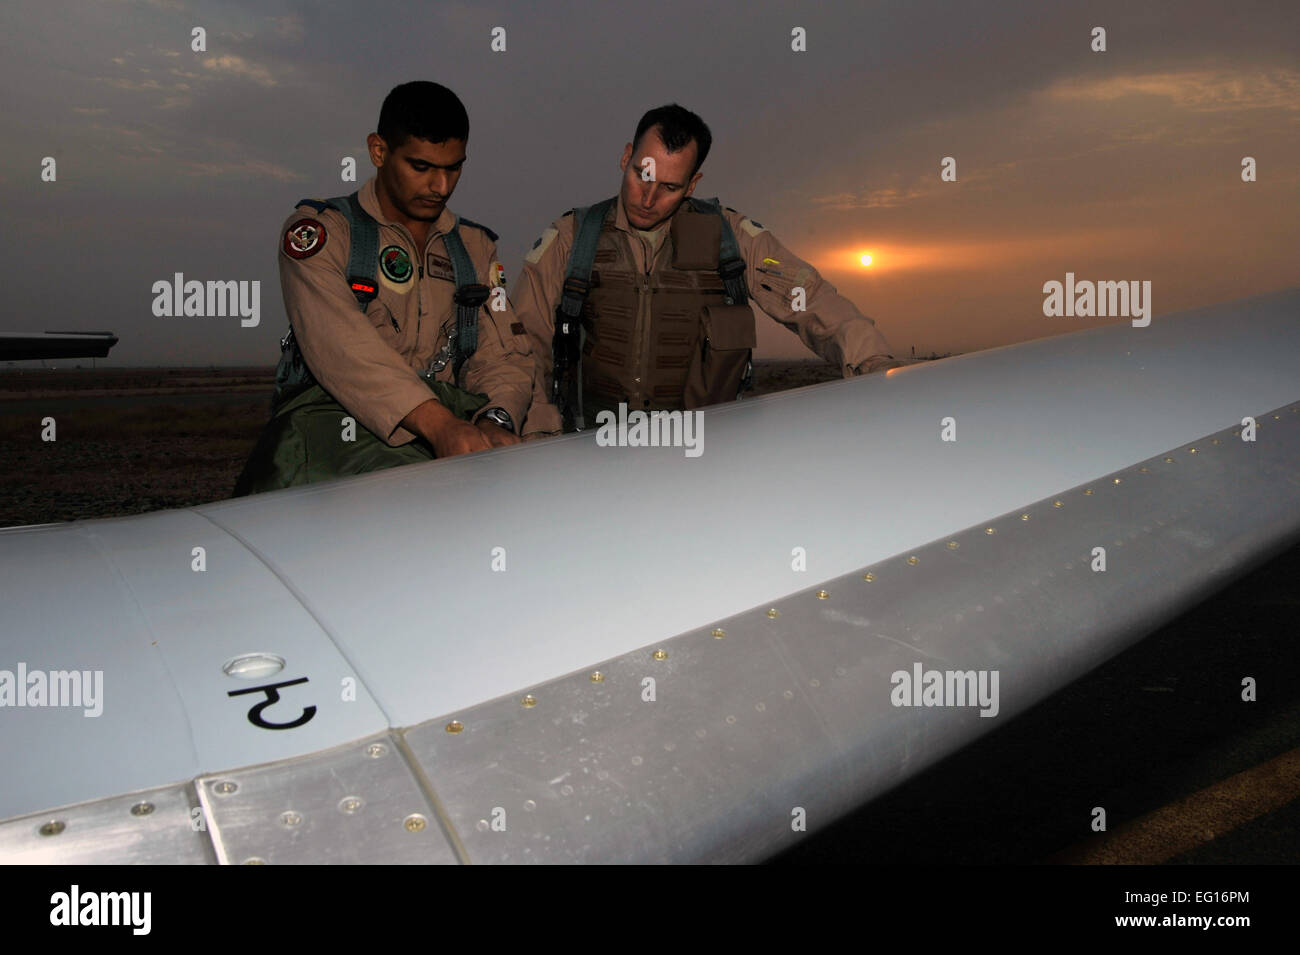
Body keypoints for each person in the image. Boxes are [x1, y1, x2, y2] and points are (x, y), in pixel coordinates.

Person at [513, 103, 906, 436]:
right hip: (587, 453)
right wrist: (539, 434)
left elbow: (814, 301)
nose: (648, 198)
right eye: (641, 176)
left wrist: (879, 370)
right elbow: (524, 342)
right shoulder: (571, 239)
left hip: (702, 456)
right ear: (626, 156)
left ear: (693, 184)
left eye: (668, 187)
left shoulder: (731, 238)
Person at [233, 81, 533, 495]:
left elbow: (505, 353)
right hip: (335, 418)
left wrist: (495, 420)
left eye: (453, 168)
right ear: (378, 151)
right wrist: (439, 425)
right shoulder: (321, 233)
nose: (441, 187)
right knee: (416, 501)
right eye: (421, 167)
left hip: (449, 418)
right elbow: (342, 349)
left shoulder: (476, 249)